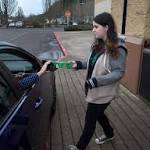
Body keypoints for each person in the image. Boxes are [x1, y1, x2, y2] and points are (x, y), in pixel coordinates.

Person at [68, 12, 127, 150]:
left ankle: (79, 147)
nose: (93, 29)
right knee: (98, 114)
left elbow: (119, 72)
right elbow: (92, 63)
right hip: (94, 89)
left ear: (106, 27)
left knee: (90, 119)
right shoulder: (99, 44)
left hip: (103, 92)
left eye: (96, 26)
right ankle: (109, 133)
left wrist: (96, 81)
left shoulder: (118, 48)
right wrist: (80, 64)